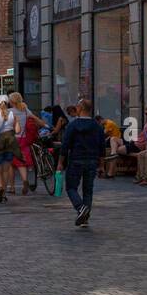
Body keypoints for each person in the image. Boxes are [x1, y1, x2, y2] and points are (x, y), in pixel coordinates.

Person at [58, 97, 106, 227]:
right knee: (88, 190)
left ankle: (80, 208)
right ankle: (85, 218)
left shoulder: (72, 125)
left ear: (80, 109)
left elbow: (65, 145)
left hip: (76, 159)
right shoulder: (97, 126)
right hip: (92, 160)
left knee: (71, 187)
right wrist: (101, 165)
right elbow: (102, 147)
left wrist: (60, 163)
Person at [7, 91, 33, 195]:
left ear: (12, 101)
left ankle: (12, 187)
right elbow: (33, 118)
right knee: (21, 162)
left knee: (11, 164)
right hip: (23, 138)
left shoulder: (9, 111)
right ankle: (25, 180)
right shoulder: (25, 110)